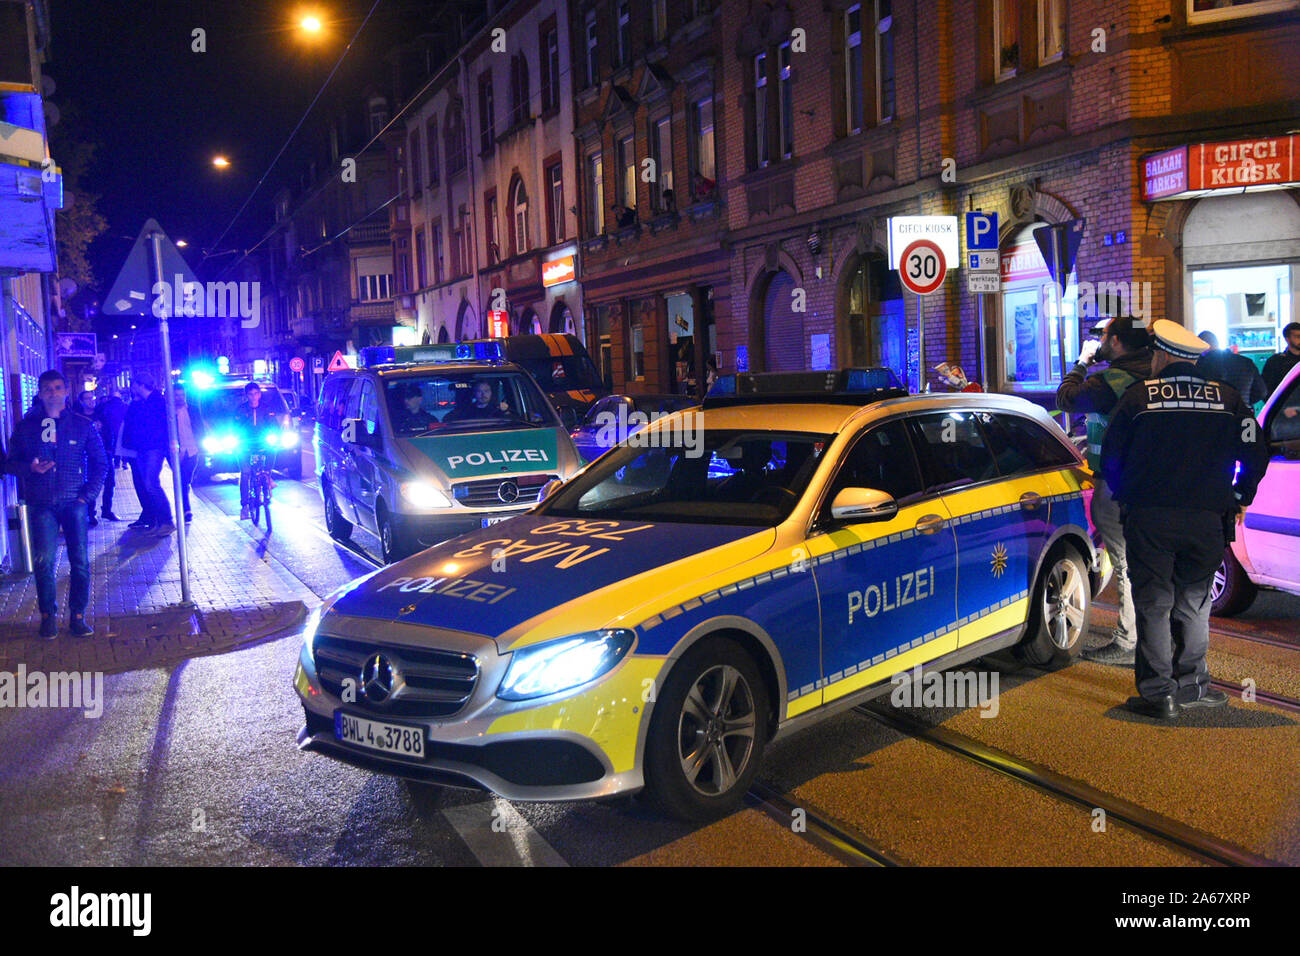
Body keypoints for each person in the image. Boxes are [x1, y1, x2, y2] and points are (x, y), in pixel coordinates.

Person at [1099, 319, 1270, 719]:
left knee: (1154, 603)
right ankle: (1192, 686)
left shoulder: (1139, 398)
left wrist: (1129, 492)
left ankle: (1159, 695)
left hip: (1150, 517)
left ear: (1161, 355)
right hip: (1208, 518)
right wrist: (1240, 493)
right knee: (1194, 604)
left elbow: (1111, 458)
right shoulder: (1228, 399)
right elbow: (1255, 451)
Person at [1055, 315, 1153, 666]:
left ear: (1116, 342)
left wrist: (1082, 362)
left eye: (1105, 336)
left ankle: (1128, 641)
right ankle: (1154, 636)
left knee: (1126, 563)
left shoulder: (1110, 380)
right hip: (1151, 480)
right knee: (1149, 560)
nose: (1100, 341)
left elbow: (1067, 398)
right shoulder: (1156, 371)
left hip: (1115, 481)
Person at [3, 370, 107, 639]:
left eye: (58, 387)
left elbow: (101, 463)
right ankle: (48, 616)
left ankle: (78, 616)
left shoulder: (82, 425)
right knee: (44, 561)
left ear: (65, 392)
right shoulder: (26, 427)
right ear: (39, 393)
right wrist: (30, 468)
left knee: (80, 561)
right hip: (41, 504)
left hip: (75, 501)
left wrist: (87, 496)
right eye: (47, 388)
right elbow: (9, 462)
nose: (53, 392)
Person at [126, 370, 173, 536]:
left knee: (151, 483)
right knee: (148, 484)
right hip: (143, 448)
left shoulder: (157, 401)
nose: (132, 388)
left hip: (153, 448)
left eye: (134, 384)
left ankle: (166, 521)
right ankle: (157, 521)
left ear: (140, 385)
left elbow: (157, 427)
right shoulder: (142, 402)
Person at [1196, 330, 1268, 408]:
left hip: (1216, 412)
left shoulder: (1202, 365)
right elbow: (1262, 392)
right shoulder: (1246, 362)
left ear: (1202, 346)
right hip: (1242, 414)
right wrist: (1243, 402)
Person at [234, 382, 271, 520]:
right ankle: (244, 505)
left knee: (273, 450)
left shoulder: (266, 409)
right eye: (250, 394)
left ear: (259, 394)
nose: (254, 397)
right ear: (246, 395)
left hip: (262, 443)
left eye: (256, 393)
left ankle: (268, 476)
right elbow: (235, 426)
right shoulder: (240, 410)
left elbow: (273, 425)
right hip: (245, 445)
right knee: (245, 472)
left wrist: (274, 435)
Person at [93, 384, 126, 521]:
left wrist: (110, 448)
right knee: (94, 482)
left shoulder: (102, 413)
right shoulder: (82, 418)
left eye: (91, 398)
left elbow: (109, 432)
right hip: (93, 454)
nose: (90, 401)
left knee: (109, 481)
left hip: (106, 451)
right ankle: (91, 512)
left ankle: (106, 510)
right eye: (87, 399)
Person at [173, 385, 204, 523]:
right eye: (177, 395)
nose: (180, 398)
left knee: (186, 480)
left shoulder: (193, 409)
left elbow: (199, 428)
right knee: (182, 481)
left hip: (192, 450)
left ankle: (184, 506)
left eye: (182, 395)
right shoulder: (169, 412)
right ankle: (186, 509)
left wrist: (201, 445)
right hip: (177, 452)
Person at [1262, 321, 1300, 397]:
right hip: (1285, 405)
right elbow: (1265, 389)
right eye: (1298, 337)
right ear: (1287, 339)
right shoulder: (1276, 362)